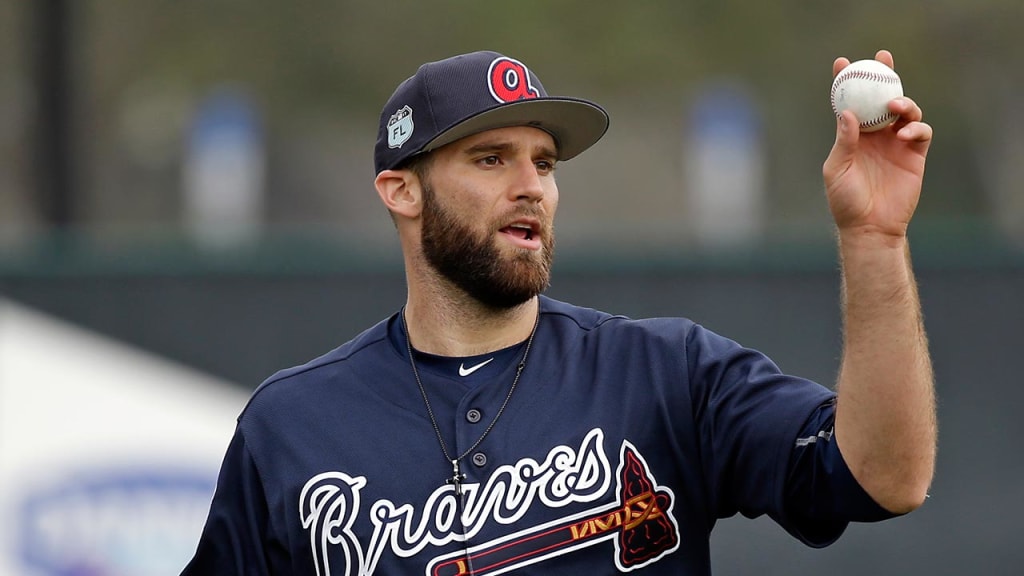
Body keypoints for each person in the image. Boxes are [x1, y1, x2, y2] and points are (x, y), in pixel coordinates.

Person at [182, 49, 936, 575]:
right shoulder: (293, 426)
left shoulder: (667, 373)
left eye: (543, 162)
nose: (531, 185)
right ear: (401, 192)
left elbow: (883, 478)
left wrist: (873, 238)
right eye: (490, 159)